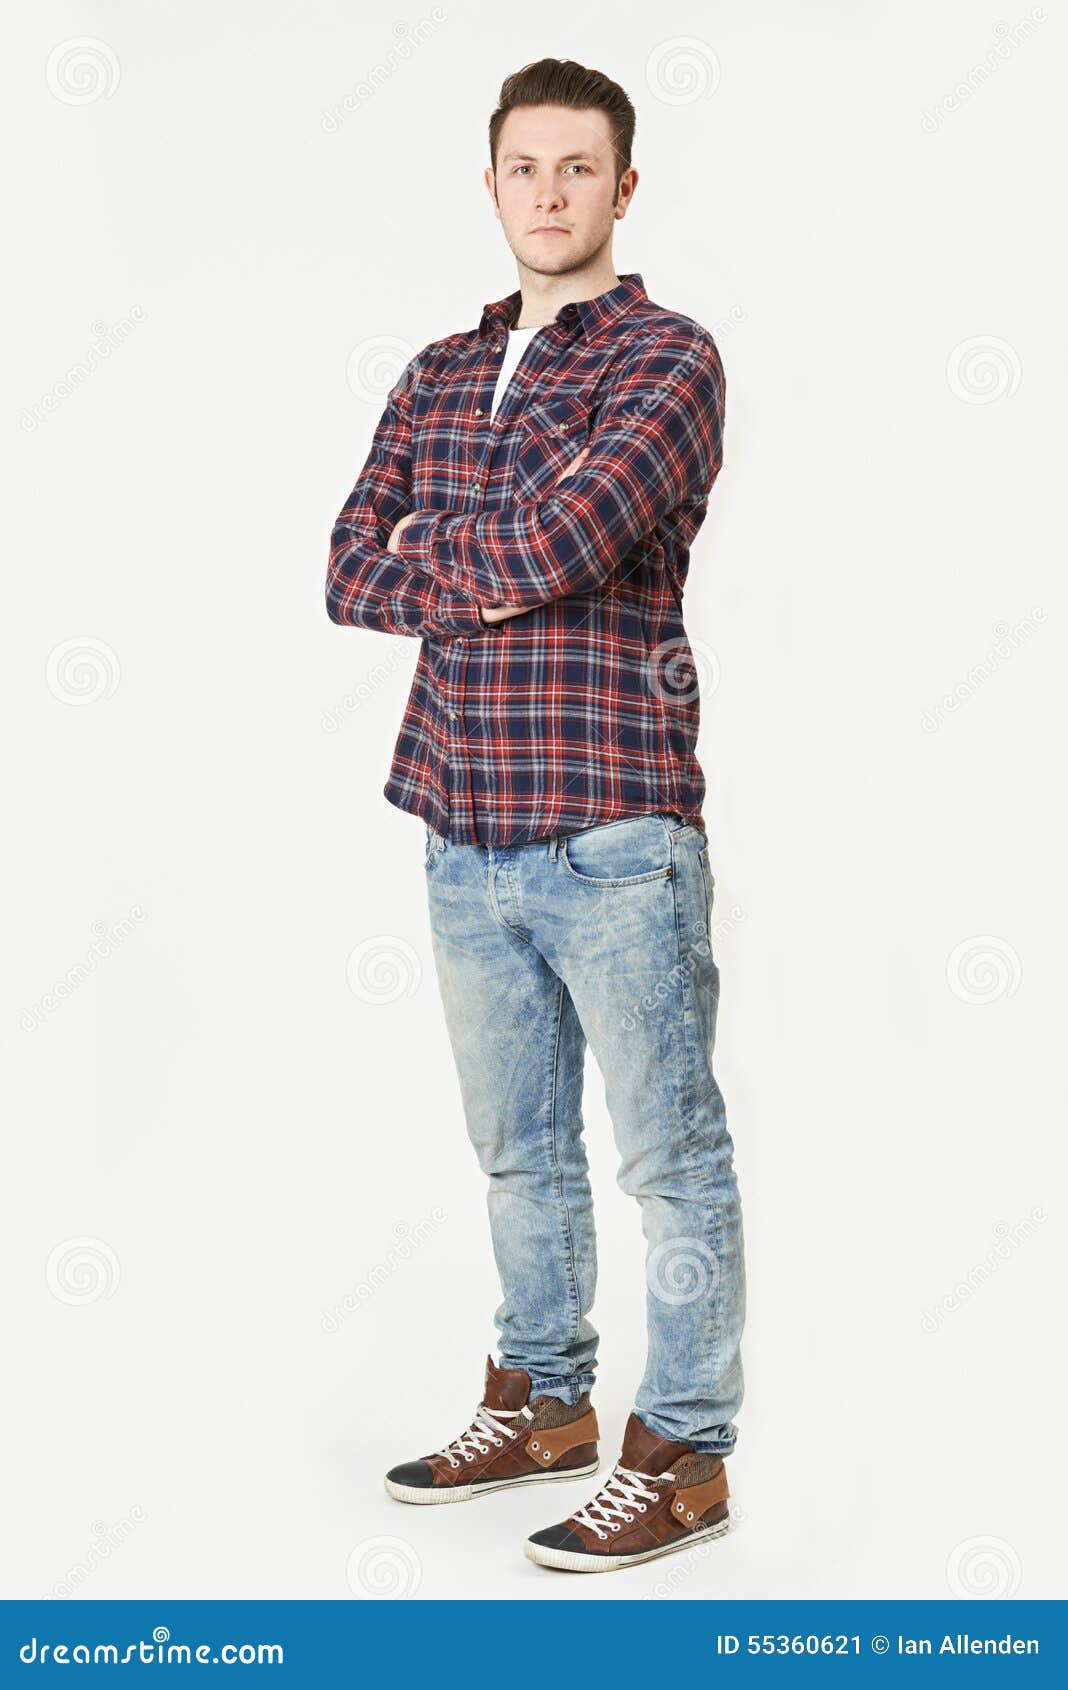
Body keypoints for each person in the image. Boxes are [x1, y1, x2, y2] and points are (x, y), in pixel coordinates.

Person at [326, 56, 745, 1574]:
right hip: (460, 822)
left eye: (580, 168)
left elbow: (571, 538)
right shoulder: (437, 372)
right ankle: (546, 1399)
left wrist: (467, 548)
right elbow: (343, 566)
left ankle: (687, 1447)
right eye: (526, 167)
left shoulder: (668, 361)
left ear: (622, 189)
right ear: (491, 183)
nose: (551, 193)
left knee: (669, 1156)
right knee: (519, 1152)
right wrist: (488, 558)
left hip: (616, 832)